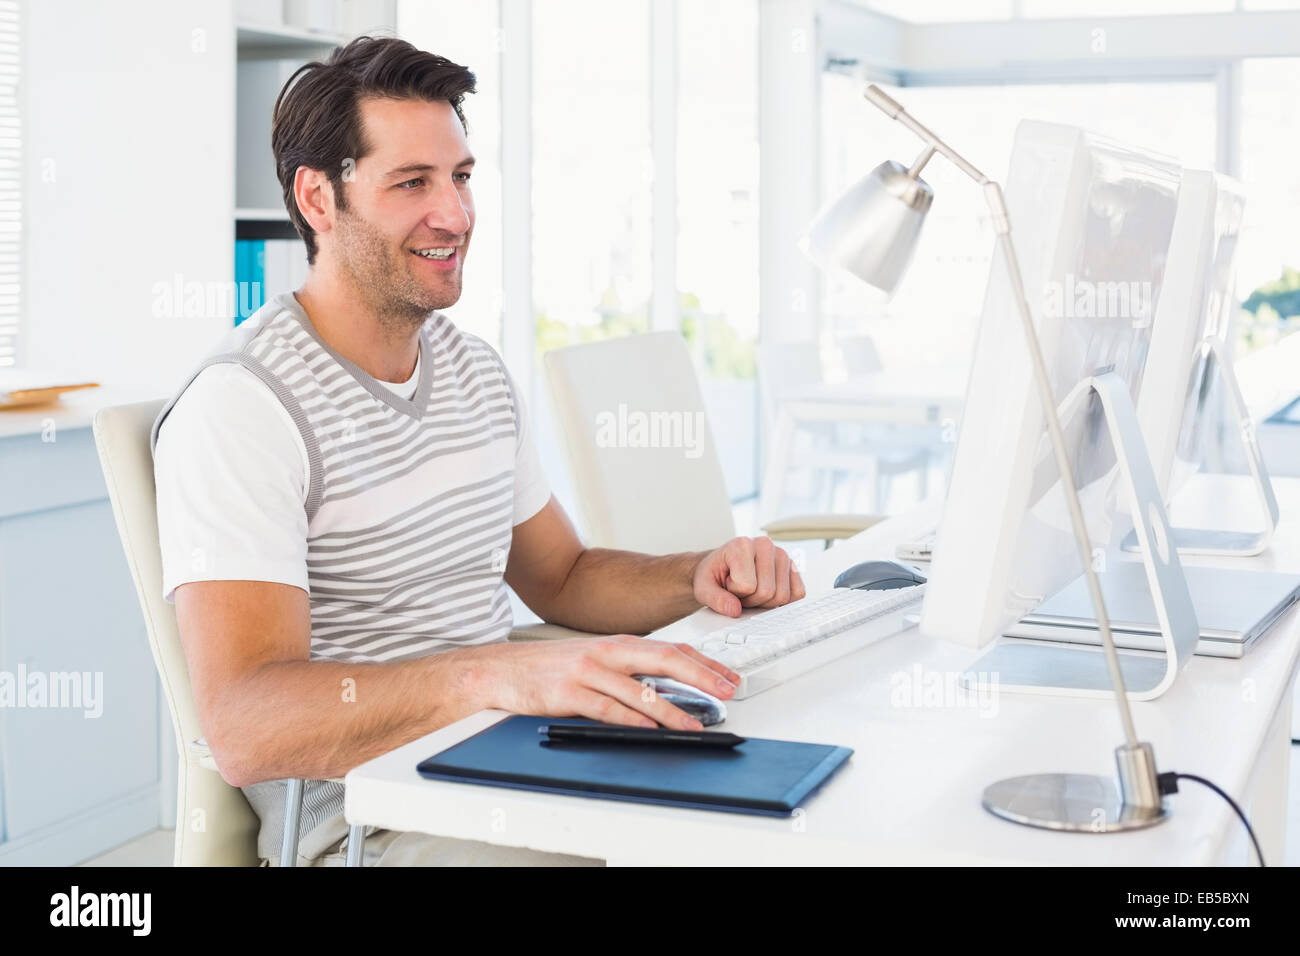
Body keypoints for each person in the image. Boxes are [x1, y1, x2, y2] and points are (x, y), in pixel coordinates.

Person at [152, 36, 804, 866]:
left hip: (511, 751)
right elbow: (246, 726)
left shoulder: (473, 370)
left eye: (460, 177)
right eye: (411, 183)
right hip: (374, 819)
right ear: (319, 199)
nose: (455, 215)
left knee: (771, 809)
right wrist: (491, 677)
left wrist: (695, 574)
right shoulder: (242, 409)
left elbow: (561, 576)